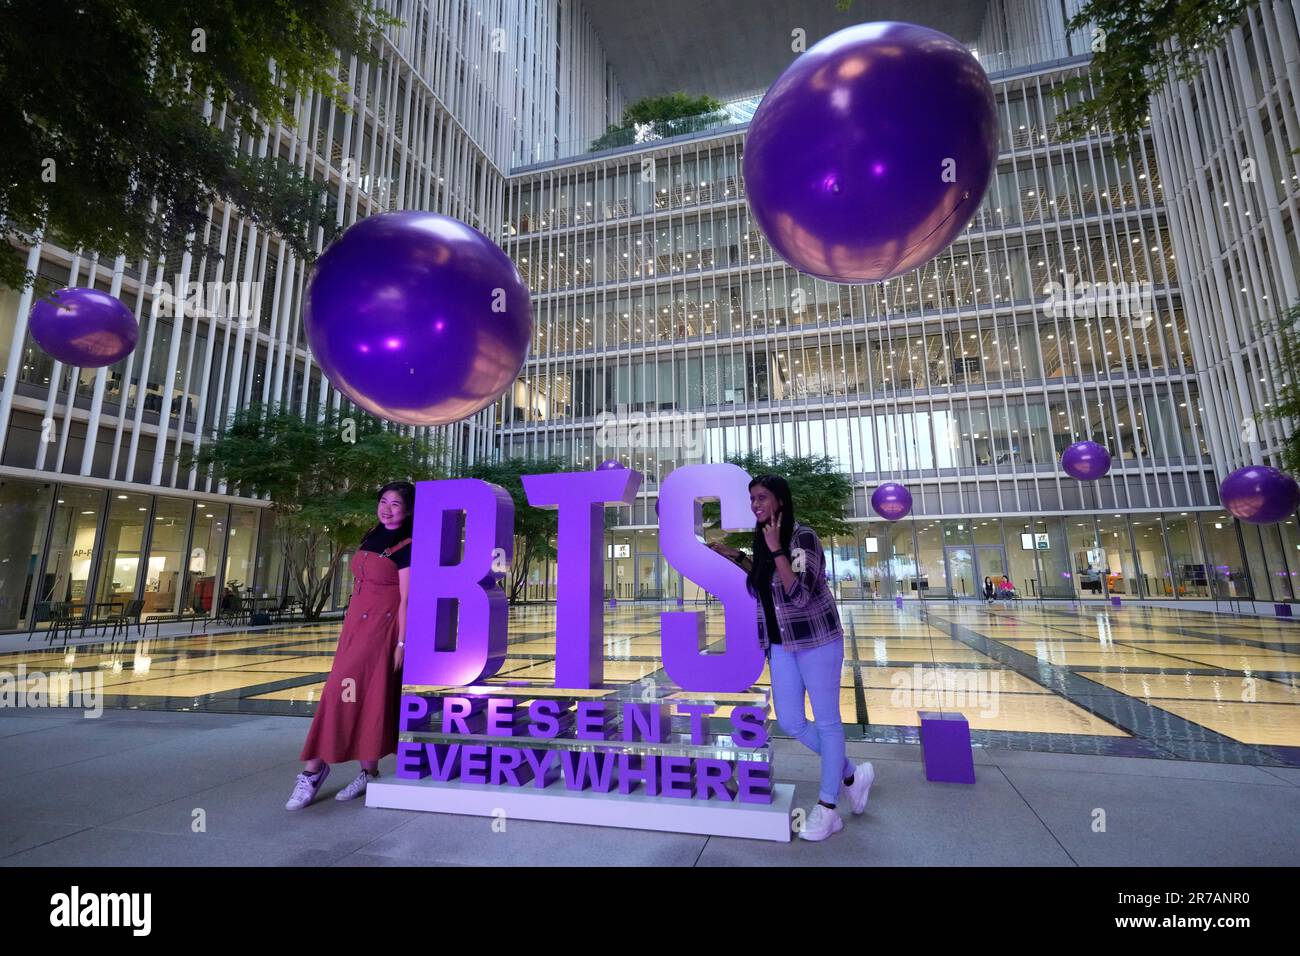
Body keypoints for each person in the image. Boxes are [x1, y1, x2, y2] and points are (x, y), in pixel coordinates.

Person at [708, 474, 874, 842]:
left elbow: (798, 594)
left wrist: (777, 549)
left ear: (780, 500)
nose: (755, 504)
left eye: (762, 497)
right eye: (752, 498)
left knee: (828, 722)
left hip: (817, 640)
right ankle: (851, 774)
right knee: (792, 721)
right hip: (780, 643)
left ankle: (829, 807)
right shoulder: (766, 539)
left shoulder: (803, 537)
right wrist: (737, 556)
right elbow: (767, 580)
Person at [285, 481, 415, 810]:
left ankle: (313, 769)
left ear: (409, 509)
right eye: (383, 501)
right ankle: (369, 771)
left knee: (341, 690)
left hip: (381, 630)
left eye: (396, 504)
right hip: (355, 627)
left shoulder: (408, 544)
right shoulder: (372, 532)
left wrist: (402, 641)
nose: (387, 508)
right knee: (370, 696)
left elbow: (406, 599)